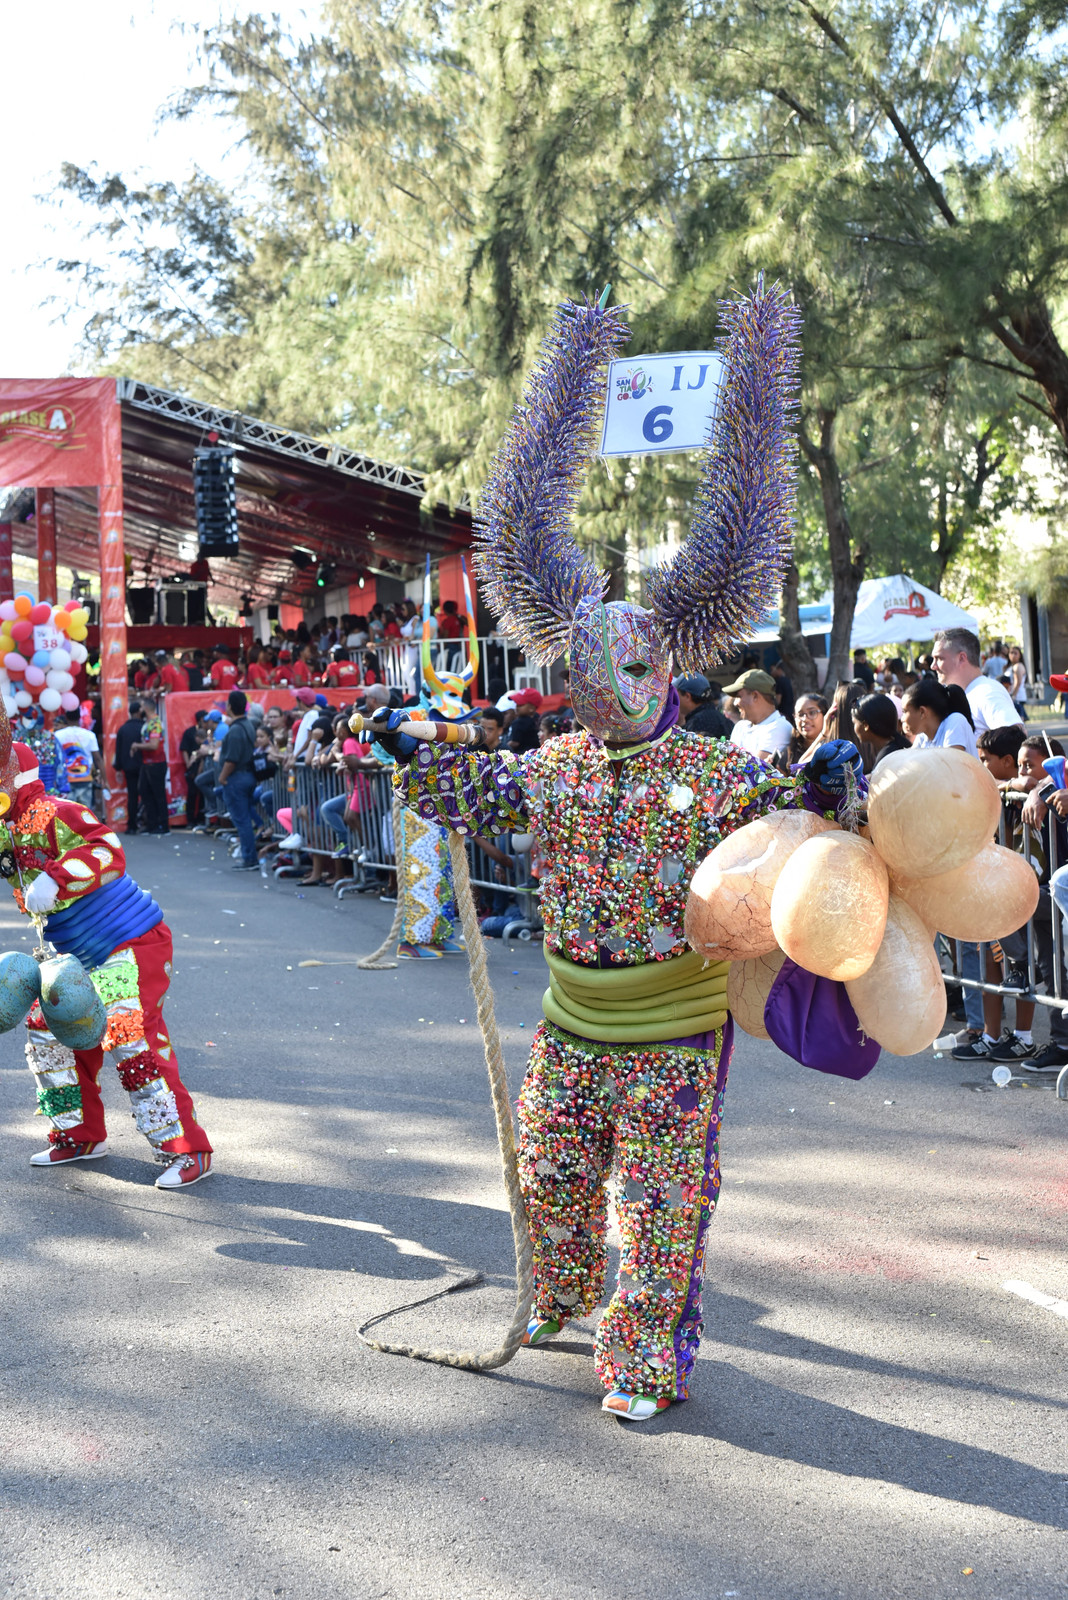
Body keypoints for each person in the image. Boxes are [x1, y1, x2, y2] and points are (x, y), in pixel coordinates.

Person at [391, 283, 867, 1422]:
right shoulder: (551, 766)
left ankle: (645, 1356)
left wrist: (830, 785)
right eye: (589, 680)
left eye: (631, 676)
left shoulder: (715, 774)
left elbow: (799, 809)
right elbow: (473, 790)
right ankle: (554, 1293)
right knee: (551, 1174)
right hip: (570, 1017)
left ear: (666, 671)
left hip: (672, 1028)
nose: (609, 696)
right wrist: (405, 746)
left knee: (658, 1197)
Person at [0, 720, 213, 1188]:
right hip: (72, 955)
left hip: (129, 942)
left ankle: (187, 1148)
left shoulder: (57, 811)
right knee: (48, 1030)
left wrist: (57, 876)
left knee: (127, 1032)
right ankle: (78, 1135)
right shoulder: (6, 831)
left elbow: (108, 847)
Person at [932, 627, 1022, 735]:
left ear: (961, 658)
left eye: (939, 658)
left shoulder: (987, 692)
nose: (933, 666)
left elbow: (1016, 734)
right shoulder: (972, 692)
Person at [218, 690, 259, 870]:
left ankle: (249, 858)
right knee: (245, 819)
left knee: (242, 821)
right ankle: (250, 856)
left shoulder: (235, 729)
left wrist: (222, 777)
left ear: (229, 706)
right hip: (247, 776)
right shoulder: (248, 725)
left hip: (237, 777)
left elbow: (231, 759)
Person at [723, 668, 793, 759]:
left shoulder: (779, 727)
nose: (735, 703)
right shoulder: (741, 726)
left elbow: (754, 768)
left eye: (739, 696)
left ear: (755, 696)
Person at [900, 678, 977, 757]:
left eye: (905, 711)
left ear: (922, 712)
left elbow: (950, 766)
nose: (902, 719)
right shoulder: (922, 736)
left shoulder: (955, 722)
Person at [132, 701, 168, 834]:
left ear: (146, 708)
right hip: (147, 763)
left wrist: (136, 746)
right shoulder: (148, 723)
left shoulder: (155, 723)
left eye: (141, 706)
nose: (140, 709)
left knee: (158, 794)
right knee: (144, 791)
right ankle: (152, 824)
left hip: (156, 763)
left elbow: (154, 745)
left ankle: (163, 826)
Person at [54, 709, 101, 807]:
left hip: (65, 780)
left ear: (66, 717)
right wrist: (105, 781)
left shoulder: (57, 735)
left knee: (68, 813)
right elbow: (98, 759)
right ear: (79, 717)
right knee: (85, 813)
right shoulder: (90, 735)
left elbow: (54, 758)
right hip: (86, 778)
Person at [113, 701, 144, 834]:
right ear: (138, 712)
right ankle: (148, 822)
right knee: (147, 795)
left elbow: (118, 751)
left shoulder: (122, 729)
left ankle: (132, 825)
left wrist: (118, 767)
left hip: (129, 767)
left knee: (132, 796)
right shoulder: (144, 727)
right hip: (144, 766)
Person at [676, 674, 733, 739]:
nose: (673, 698)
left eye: (676, 694)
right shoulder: (720, 717)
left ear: (687, 696)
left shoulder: (697, 722)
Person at [785, 692, 829, 767]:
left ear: (825, 715)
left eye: (812, 713)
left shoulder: (835, 748)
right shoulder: (790, 751)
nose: (805, 719)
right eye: (800, 714)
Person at [1007, 645, 1028, 721]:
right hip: (1015, 696)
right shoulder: (1011, 666)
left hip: (1017, 697)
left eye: (1015, 653)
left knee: (1018, 721)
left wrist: (1013, 696)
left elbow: (1017, 683)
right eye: (1011, 653)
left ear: (1019, 655)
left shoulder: (1018, 666)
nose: (1013, 655)